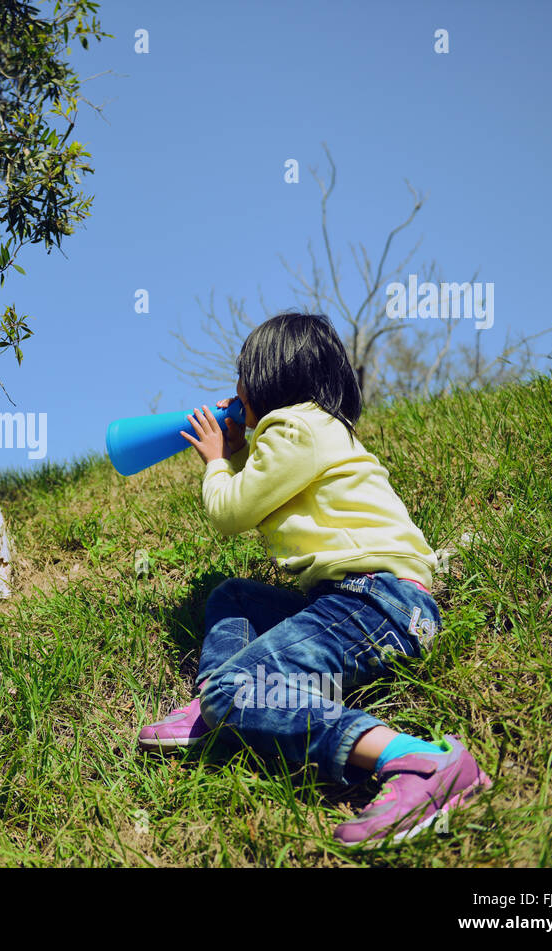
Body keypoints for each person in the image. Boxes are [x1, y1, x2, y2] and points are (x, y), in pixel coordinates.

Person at [137, 312, 491, 846]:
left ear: (264, 377)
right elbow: (258, 491)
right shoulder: (314, 429)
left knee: (240, 688)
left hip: (374, 601)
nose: (233, 393)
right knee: (234, 596)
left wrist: (216, 460)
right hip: (368, 602)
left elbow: (229, 513)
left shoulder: (293, 426)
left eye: (240, 377)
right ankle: (218, 706)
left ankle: (419, 763)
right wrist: (239, 454)